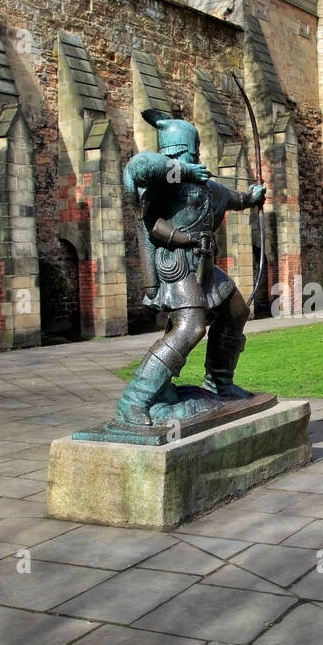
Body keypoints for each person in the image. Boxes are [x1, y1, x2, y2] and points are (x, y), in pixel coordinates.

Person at [115, 109, 266, 425]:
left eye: (191, 154)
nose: (190, 157)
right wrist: (181, 169)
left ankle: (219, 383)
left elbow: (238, 198)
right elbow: (137, 167)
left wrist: (253, 197)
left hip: (204, 265)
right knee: (191, 327)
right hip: (176, 263)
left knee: (236, 310)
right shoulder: (166, 183)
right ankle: (135, 400)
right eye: (183, 154)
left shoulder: (209, 188)